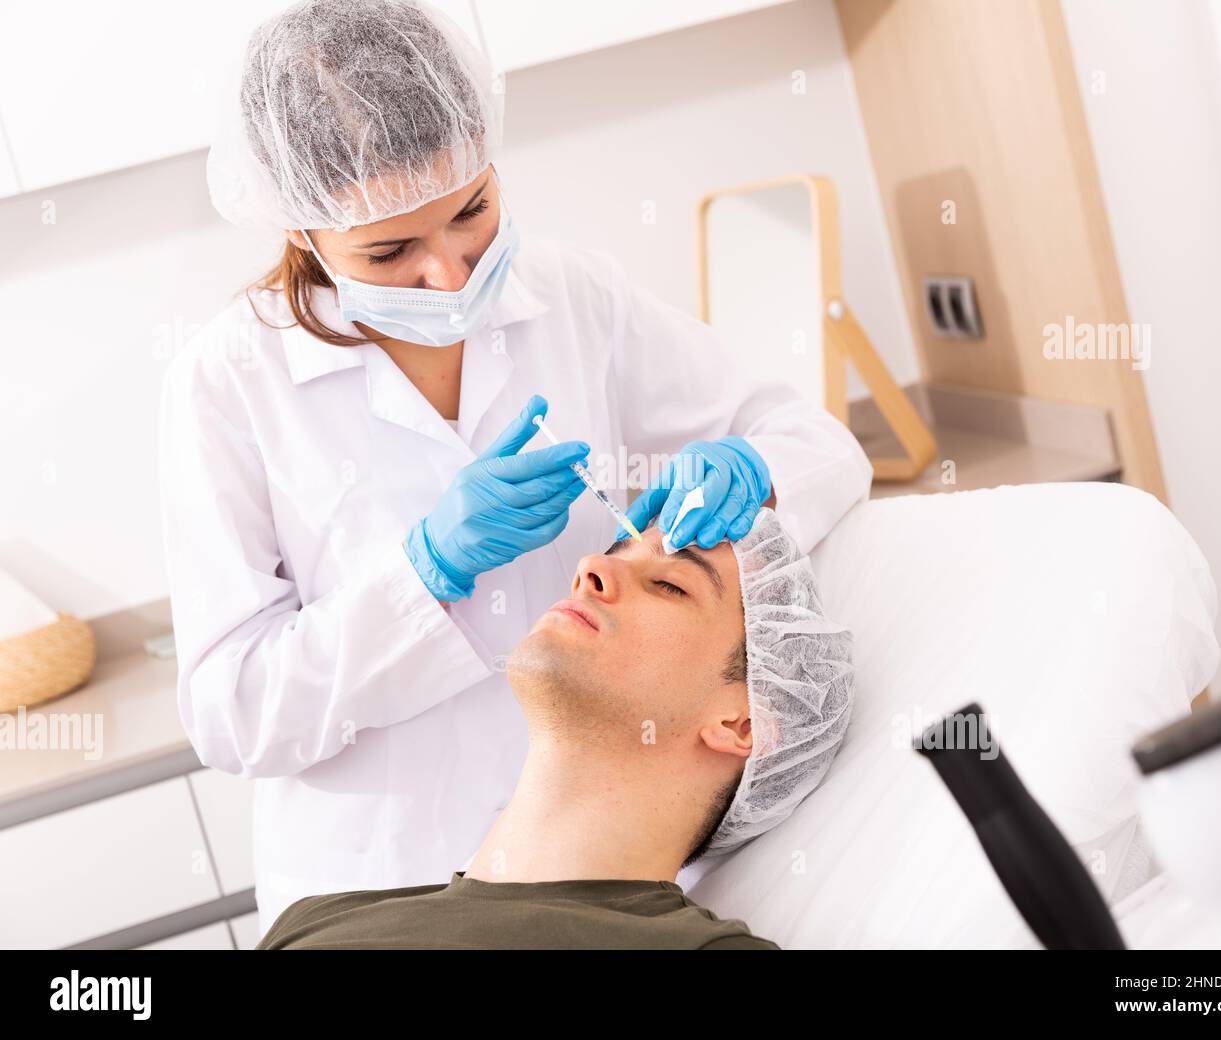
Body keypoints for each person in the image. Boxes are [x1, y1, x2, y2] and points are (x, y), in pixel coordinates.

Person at [158, 0, 872, 937]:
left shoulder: (573, 295)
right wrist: (425, 574)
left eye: (472, 213)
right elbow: (233, 713)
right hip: (379, 880)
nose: (452, 274)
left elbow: (815, 441)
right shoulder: (230, 380)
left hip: (602, 878)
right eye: (390, 250)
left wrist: (752, 472)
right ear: (303, 230)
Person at [256, 509, 854, 948]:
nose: (589, 567)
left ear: (740, 720)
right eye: (613, 553)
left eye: (669, 584)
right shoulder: (316, 920)